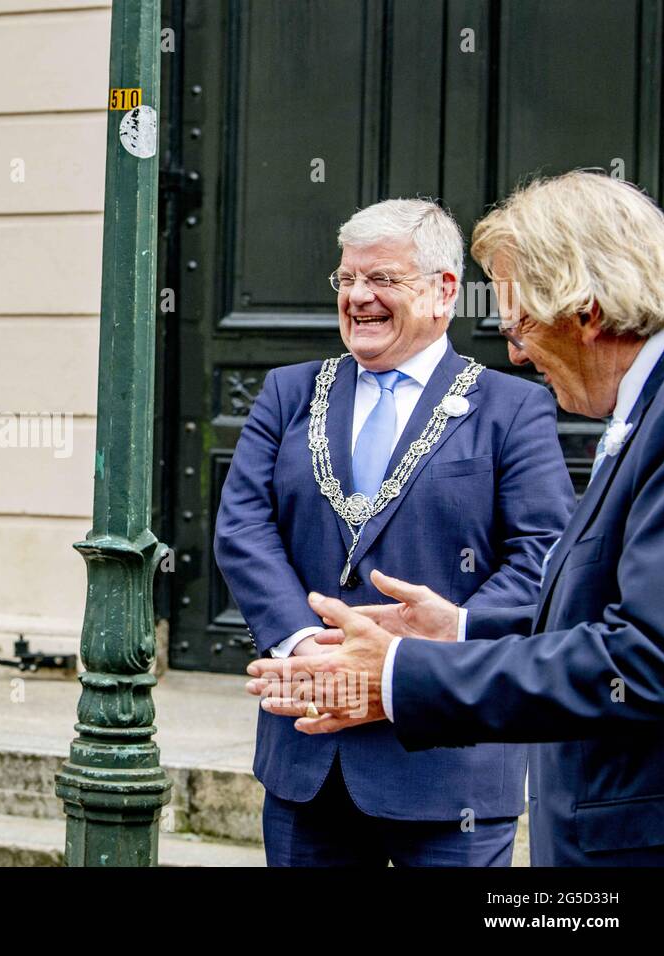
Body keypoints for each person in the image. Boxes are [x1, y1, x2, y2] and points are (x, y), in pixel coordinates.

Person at [247, 170, 664, 866]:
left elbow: (644, 656)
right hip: (309, 767)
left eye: (522, 322)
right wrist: (459, 626)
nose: (515, 350)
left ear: (587, 312)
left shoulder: (557, 412)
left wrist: (398, 674)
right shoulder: (294, 390)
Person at [215, 199, 573, 866]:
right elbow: (242, 525)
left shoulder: (511, 408)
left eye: (381, 279)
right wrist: (306, 649)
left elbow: (542, 560)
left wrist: (424, 651)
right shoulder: (289, 394)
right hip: (308, 751)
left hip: (450, 766)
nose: (358, 297)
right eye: (346, 280)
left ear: (442, 291)